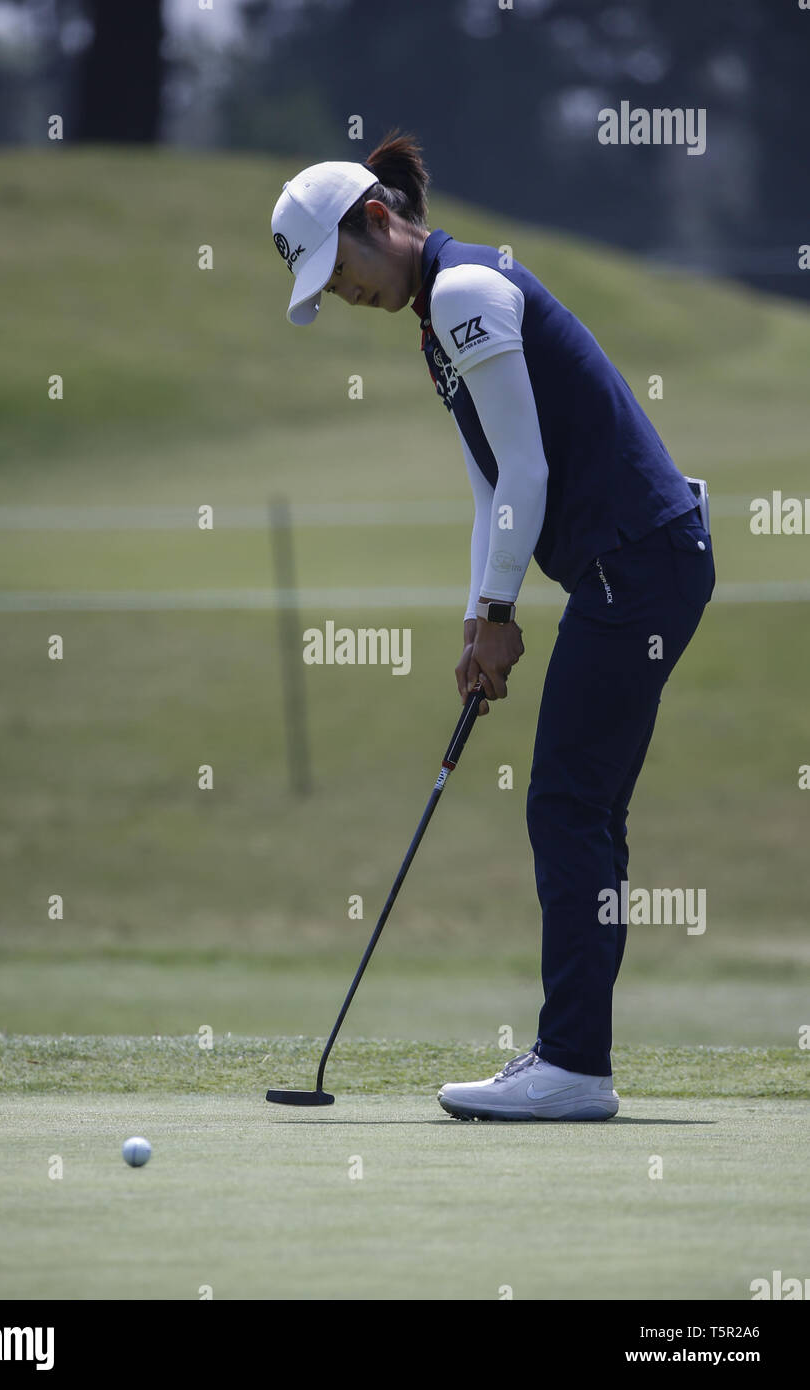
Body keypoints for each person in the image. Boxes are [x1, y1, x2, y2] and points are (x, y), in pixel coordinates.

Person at [270, 132, 715, 1120]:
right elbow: (489, 483)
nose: (340, 294)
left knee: (566, 805)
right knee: (581, 807)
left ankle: (571, 1066)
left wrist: (505, 615)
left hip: (636, 566)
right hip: (638, 564)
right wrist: (478, 618)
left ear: (378, 223)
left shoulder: (466, 293)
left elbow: (529, 475)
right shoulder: (442, 311)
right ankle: (575, 1059)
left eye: (337, 270)